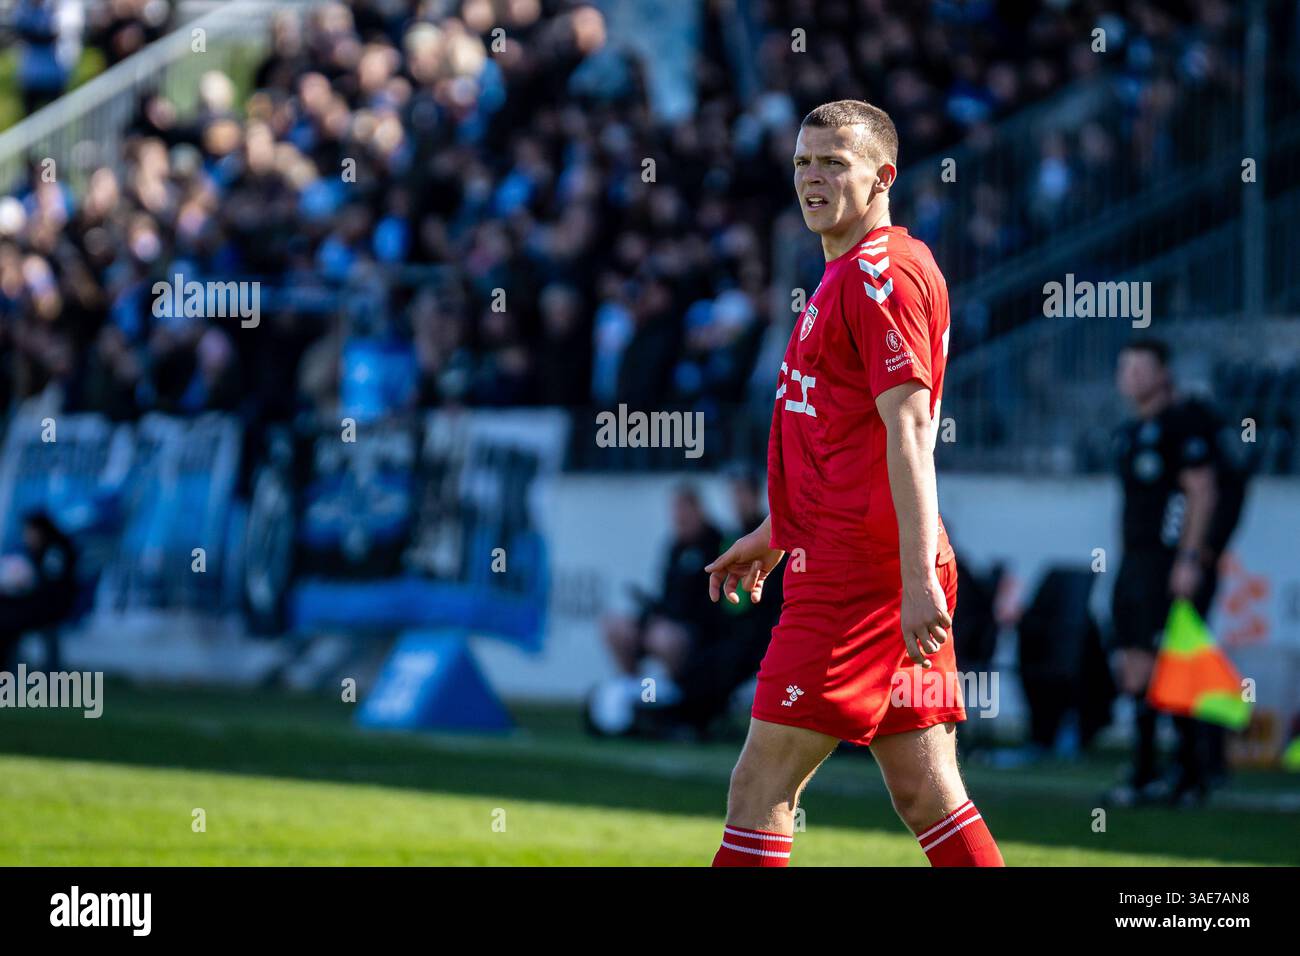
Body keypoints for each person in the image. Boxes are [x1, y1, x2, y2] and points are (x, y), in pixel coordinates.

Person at [704, 100, 1003, 867]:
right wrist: (775, 535)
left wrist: (912, 579)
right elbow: (842, 438)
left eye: (834, 162)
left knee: (759, 785)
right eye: (804, 161)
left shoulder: (878, 279)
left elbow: (909, 431)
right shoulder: (850, 274)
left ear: (883, 176)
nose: (812, 177)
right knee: (926, 791)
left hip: (858, 577)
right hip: (863, 561)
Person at [1108, 337, 1242, 807]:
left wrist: (1189, 559)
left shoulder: (1184, 425)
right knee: (1133, 665)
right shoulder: (1129, 432)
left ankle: (1190, 773)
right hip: (1134, 561)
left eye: (1142, 368)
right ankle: (1149, 770)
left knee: (1174, 664)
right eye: (1126, 368)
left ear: (1164, 373)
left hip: (1168, 565)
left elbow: (1202, 493)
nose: (1132, 377)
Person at [0, 511, 78, 671]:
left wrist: (21, 587)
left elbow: (51, 587)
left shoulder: (55, 551)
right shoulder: (40, 550)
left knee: (7, 620)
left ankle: (8, 671)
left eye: (29, 532)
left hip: (51, 609)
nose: (26, 537)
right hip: (40, 605)